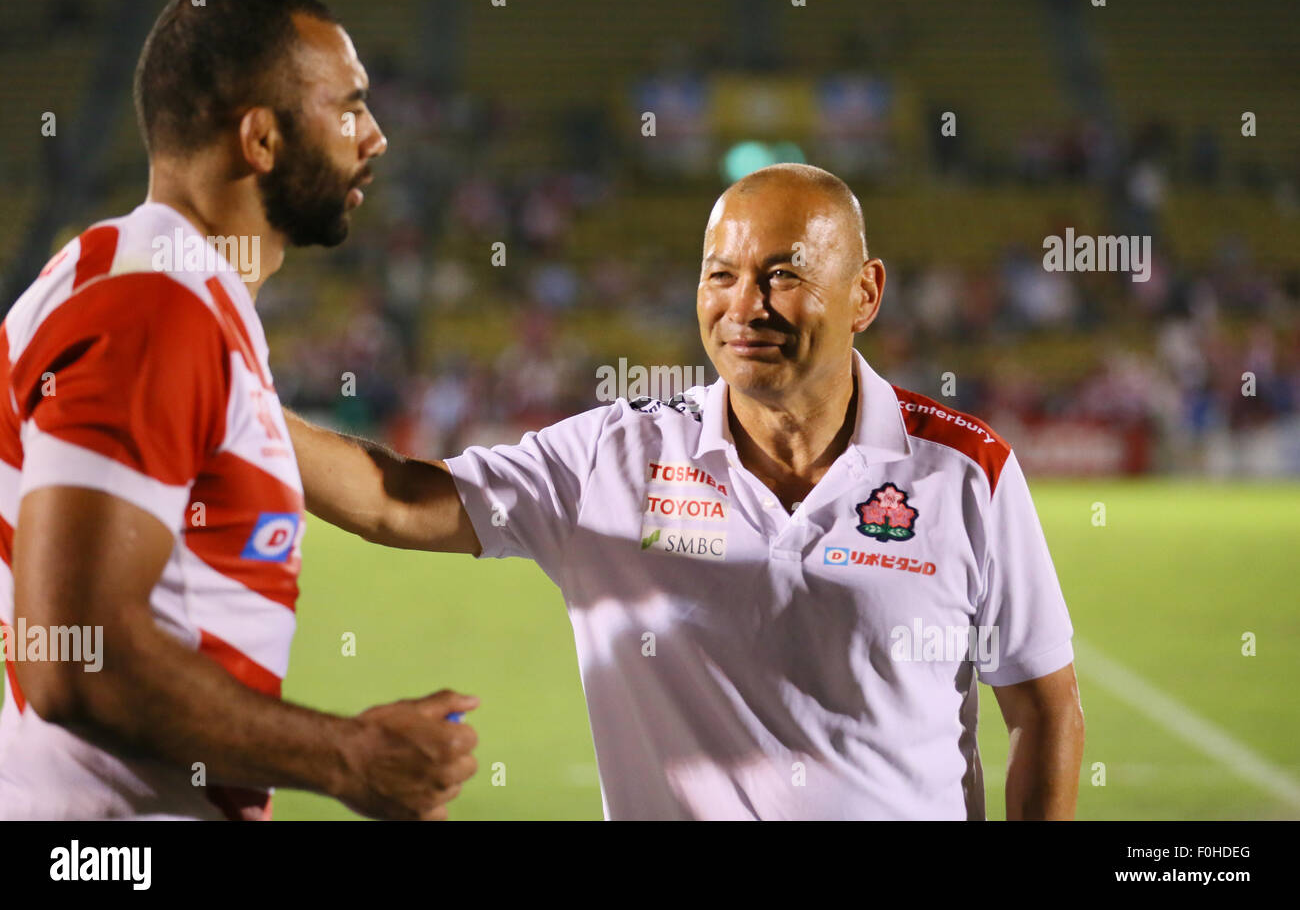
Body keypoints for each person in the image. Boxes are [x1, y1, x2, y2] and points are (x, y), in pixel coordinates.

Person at [287, 163, 1085, 820]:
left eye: (783, 275)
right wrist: (228, 401)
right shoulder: (613, 458)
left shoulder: (962, 470)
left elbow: (1044, 711)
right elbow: (392, 499)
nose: (745, 307)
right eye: (721, 275)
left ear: (866, 294)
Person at [0, 0, 477, 820]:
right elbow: (73, 657)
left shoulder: (133, 278)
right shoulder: (156, 307)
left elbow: (380, 498)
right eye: (350, 107)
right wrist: (350, 757)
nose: (376, 136)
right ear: (261, 137)